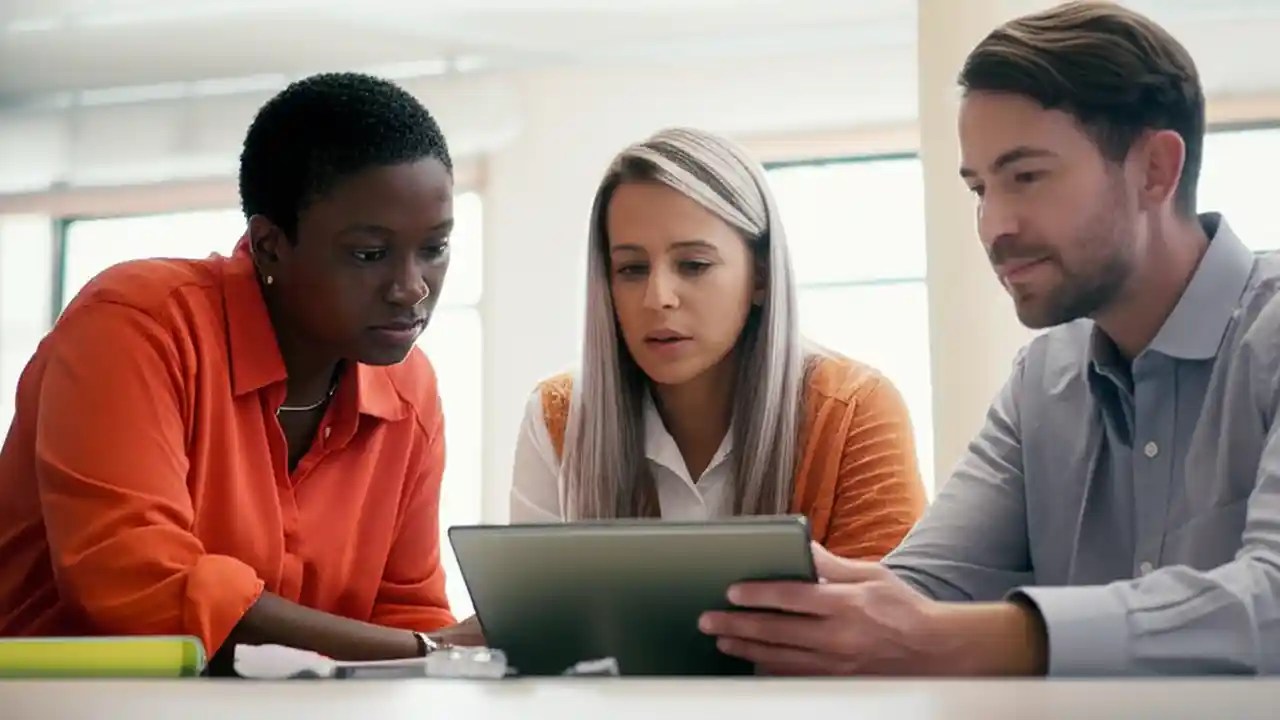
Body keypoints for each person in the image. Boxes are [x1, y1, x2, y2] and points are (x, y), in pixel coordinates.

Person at [699, 1, 1280, 676]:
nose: (992, 224)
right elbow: (922, 588)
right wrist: (792, 611)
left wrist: (983, 637)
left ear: (1154, 169)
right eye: (980, 187)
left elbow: (1270, 604)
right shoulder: (1043, 381)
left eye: (1026, 176)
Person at [0, 72, 466, 668]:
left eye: (435, 247)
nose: (411, 288)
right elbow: (137, 590)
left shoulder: (408, 390)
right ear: (270, 244)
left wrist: (443, 649)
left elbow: (406, 611)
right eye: (369, 255)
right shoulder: (136, 325)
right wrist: (429, 650)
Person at [509, 127, 927, 558]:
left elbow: (884, 619)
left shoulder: (854, 410)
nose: (658, 299)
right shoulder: (558, 416)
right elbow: (535, 620)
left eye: (693, 265)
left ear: (761, 275)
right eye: (632, 269)